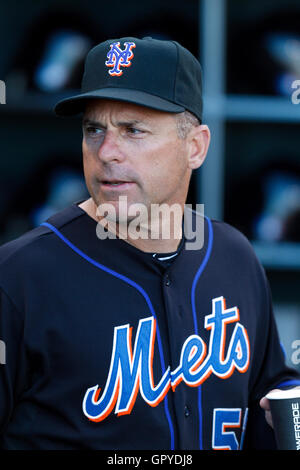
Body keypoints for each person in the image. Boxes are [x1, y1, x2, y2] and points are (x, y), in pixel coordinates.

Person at [0, 36, 299, 451]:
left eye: (133, 130)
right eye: (94, 129)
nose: (106, 151)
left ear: (195, 147)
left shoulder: (235, 257)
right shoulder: (19, 277)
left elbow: (273, 397)